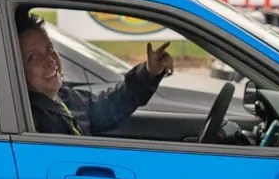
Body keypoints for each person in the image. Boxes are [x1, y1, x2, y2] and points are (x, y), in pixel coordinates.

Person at [16, 9, 174, 136]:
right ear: (17, 67)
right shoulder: (28, 120)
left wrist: (149, 72)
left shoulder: (64, 97)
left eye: (50, 49)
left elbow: (113, 105)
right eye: (33, 57)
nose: (50, 60)